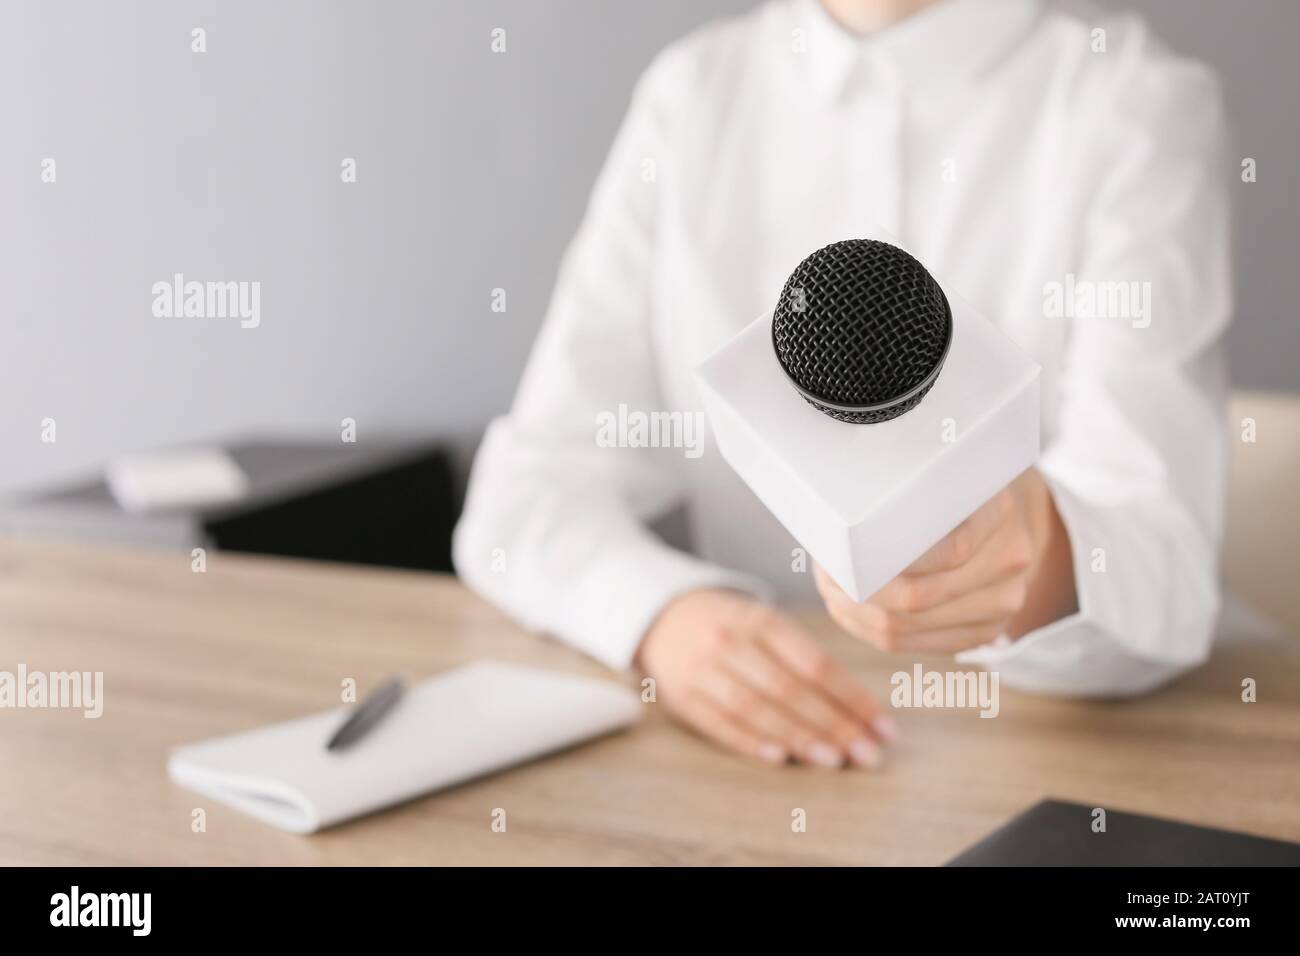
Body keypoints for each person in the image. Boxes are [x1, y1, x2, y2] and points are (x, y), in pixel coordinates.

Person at [453, 0, 1231, 770]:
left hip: (1059, 756)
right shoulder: (692, 94)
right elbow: (525, 492)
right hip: (766, 768)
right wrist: (663, 617)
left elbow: (1163, 565)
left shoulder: (1131, 101)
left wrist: (1035, 557)